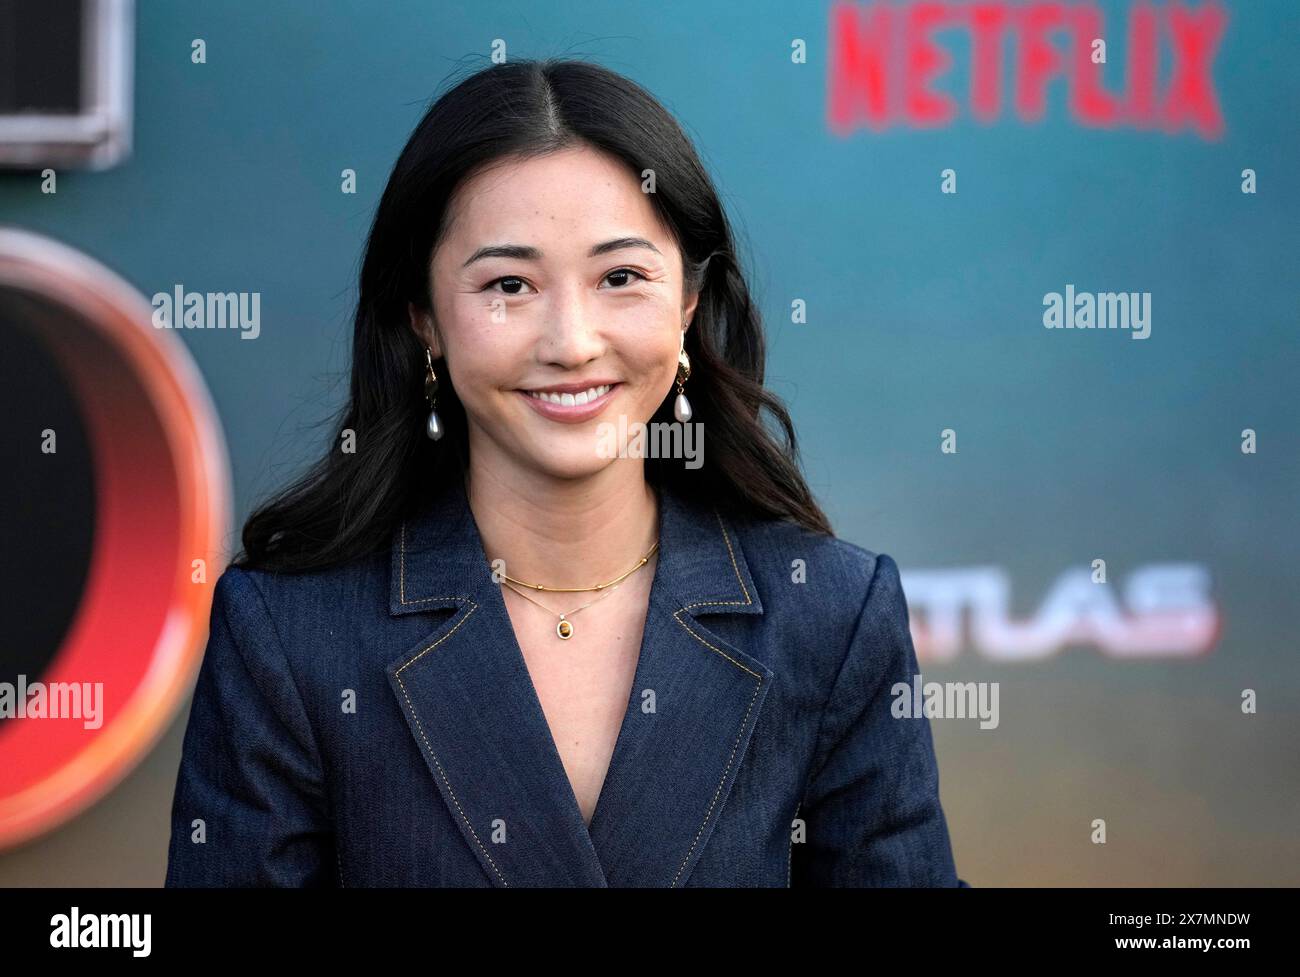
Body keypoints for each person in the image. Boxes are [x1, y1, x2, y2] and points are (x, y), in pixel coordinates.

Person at [164, 57, 967, 888]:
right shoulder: (291, 636)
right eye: (509, 284)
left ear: (687, 305)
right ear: (425, 320)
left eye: (621, 277)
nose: (571, 340)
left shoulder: (829, 618)